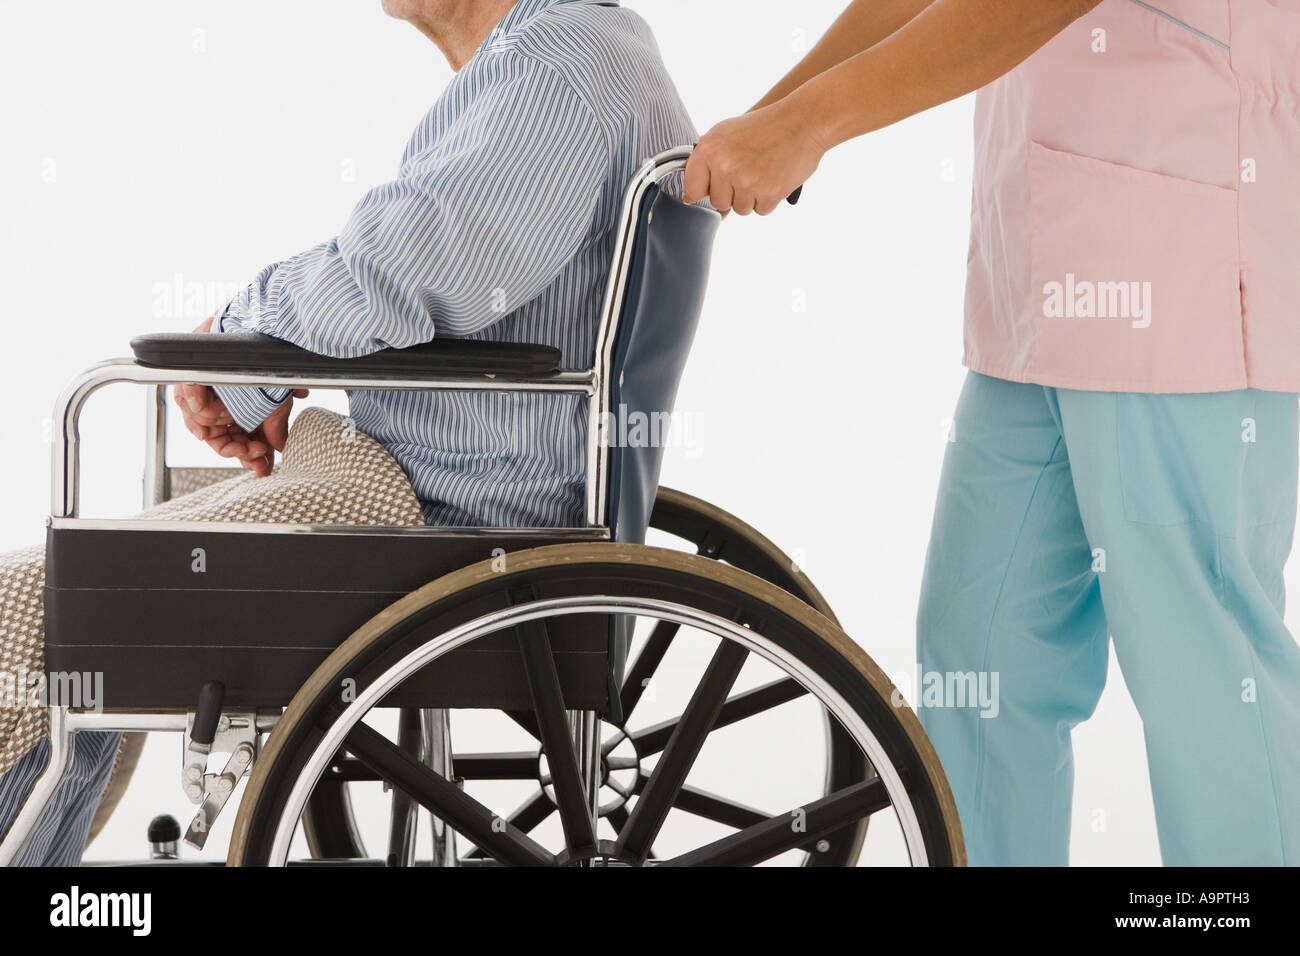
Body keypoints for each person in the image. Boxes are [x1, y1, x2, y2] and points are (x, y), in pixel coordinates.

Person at [0, 0, 696, 866]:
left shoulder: (557, 64)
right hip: (452, 477)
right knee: (100, 586)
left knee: (33, 608)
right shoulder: (576, 51)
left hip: (432, 506)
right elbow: (416, 283)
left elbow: (391, 277)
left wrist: (237, 345)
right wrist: (267, 364)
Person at [685, 0, 1300, 866]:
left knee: (1204, 668)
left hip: (1180, 252)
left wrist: (807, 122)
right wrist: (760, 125)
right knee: (981, 656)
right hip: (1041, 268)